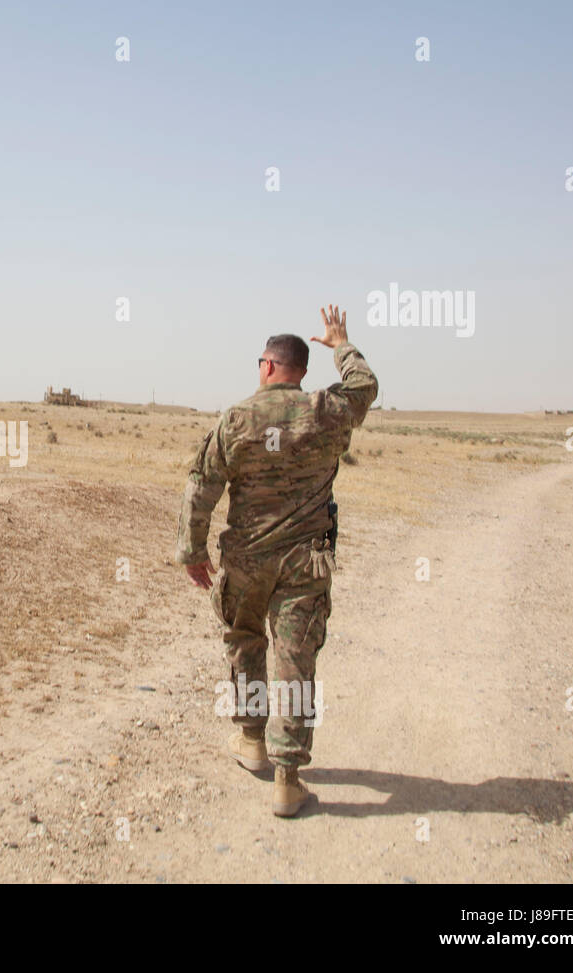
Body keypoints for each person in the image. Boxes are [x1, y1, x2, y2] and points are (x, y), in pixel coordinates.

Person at [175, 305, 378, 816]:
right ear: (302, 370)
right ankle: (288, 780)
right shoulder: (326, 408)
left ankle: (251, 742)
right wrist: (342, 344)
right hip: (306, 564)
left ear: (266, 366)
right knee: (297, 662)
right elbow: (365, 384)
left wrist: (192, 551)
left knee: (245, 643)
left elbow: (202, 487)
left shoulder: (237, 418)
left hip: (245, 561)